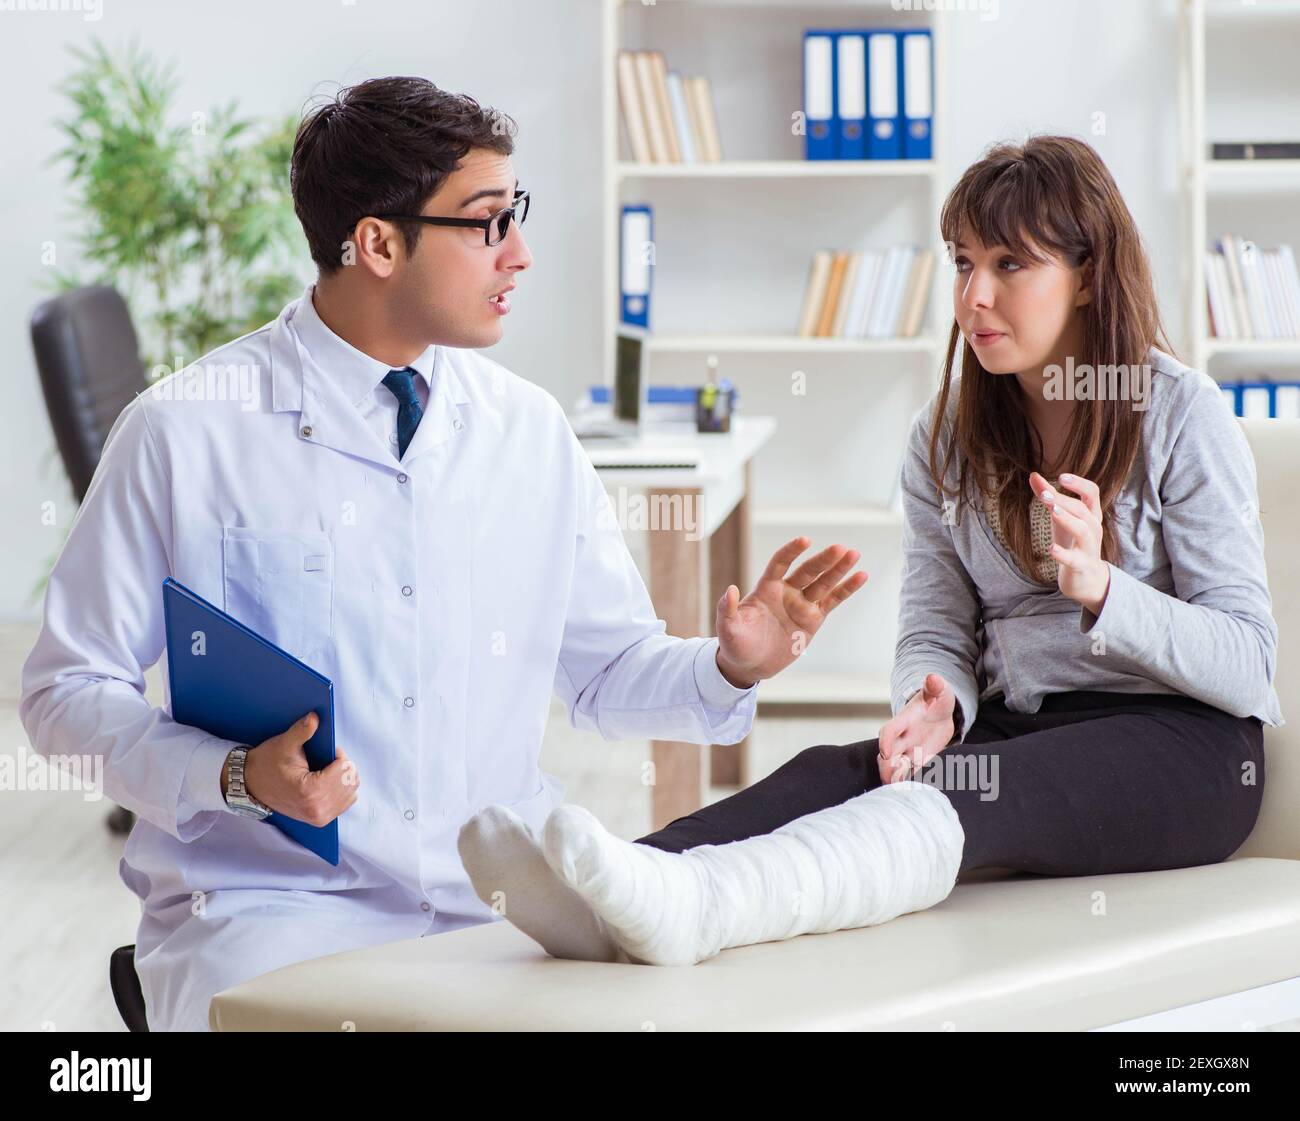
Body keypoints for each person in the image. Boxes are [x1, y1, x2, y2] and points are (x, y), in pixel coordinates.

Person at [19, 76, 866, 1029]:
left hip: (498, 901)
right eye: (486, 224)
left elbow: (609, 672)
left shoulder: (528, 434)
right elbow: (64, 692)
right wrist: (232, 776)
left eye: (518, 215)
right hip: (273, 909)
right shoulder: (183, 434)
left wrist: (727, 665)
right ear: (378, 243)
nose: (521, 253)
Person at [459, 135, 1283, 968]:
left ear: (1090, 275)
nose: (975, 297)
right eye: (963, 264)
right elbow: (934, 631)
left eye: (1010, 265)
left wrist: (1106, 589)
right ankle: (622, 877)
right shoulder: (946, 436)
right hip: (1016, 727)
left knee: (961, 795)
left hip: (1184, 746)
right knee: (835, 769)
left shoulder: (1181, 413)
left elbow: (1251, 665)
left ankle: (702, 906)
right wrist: (937, 707)